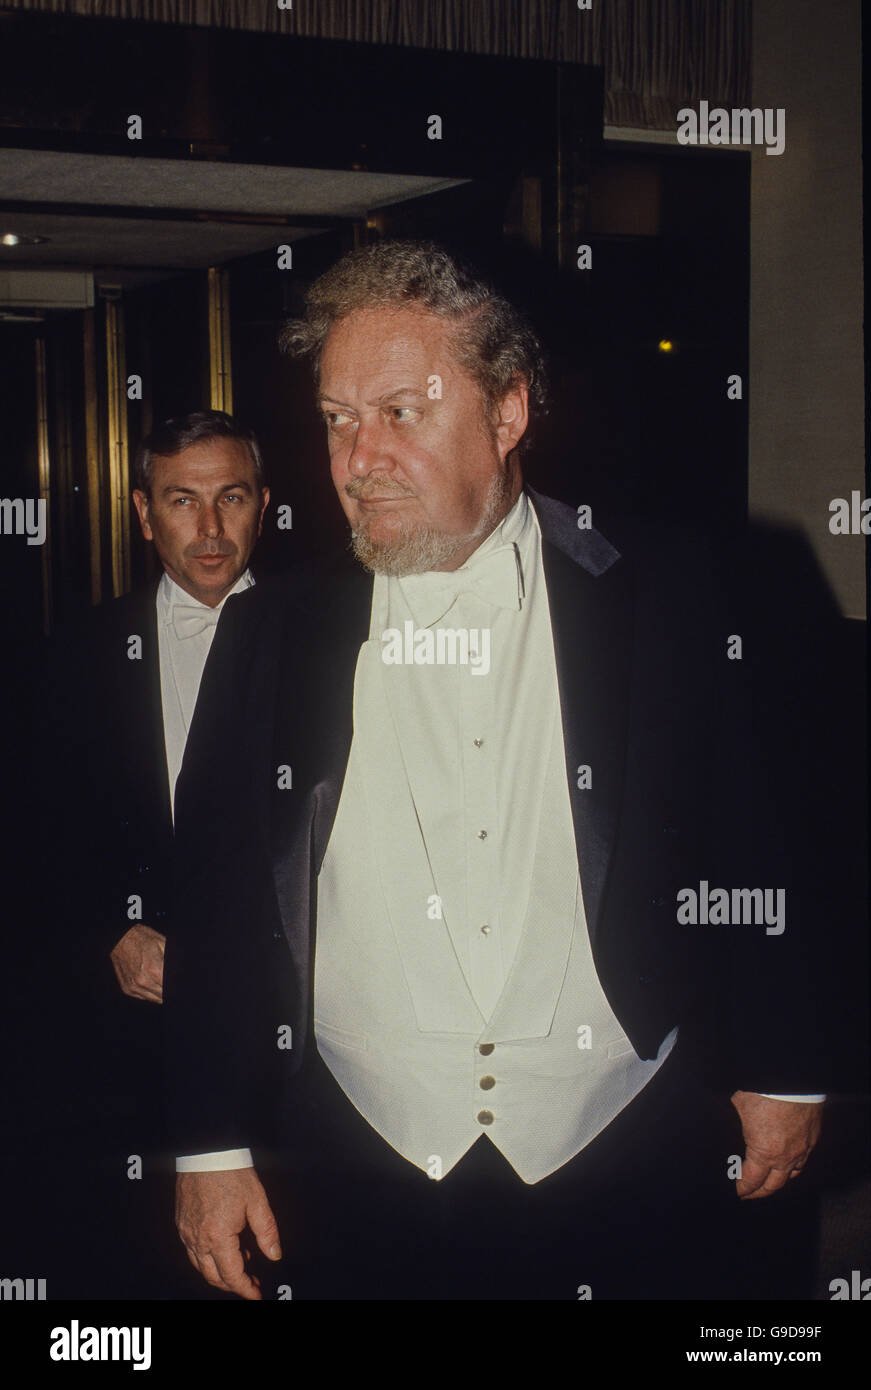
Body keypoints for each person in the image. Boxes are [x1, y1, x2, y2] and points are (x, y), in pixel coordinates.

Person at [165, 242, 832, 1302]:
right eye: (339, 417)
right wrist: (206, 1143)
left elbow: (764, 830)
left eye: (400, 412)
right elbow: (208, 899)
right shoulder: (267, 634)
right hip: (354, 1150)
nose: (357, 456)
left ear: (509, 413)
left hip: (627, 1130)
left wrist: (785, 1058)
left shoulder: (677, 590)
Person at [33, 411, 269, 1295]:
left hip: (295, 1039)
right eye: (182, 501)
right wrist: (111, 932)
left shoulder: (336, 638)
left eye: (230, 498)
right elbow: (38, 831)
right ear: (143, 513)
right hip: (130, 1040)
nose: (210, 529)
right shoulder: (77, 654)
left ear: (263, 505)